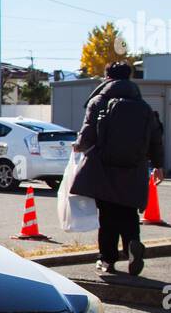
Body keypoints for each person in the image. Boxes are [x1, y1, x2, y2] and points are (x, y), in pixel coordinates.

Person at [70, 62, 164, 275]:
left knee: (108, 216)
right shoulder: (143, 106)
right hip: (134, 169)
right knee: (129, 212)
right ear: (130, 77)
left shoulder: (99, 101)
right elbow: (156, 139)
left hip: (104, 168)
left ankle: (107, 259)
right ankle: (132, 244)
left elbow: (88, 133)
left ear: (107, 77)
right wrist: (158, 165)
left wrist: (79, 146)